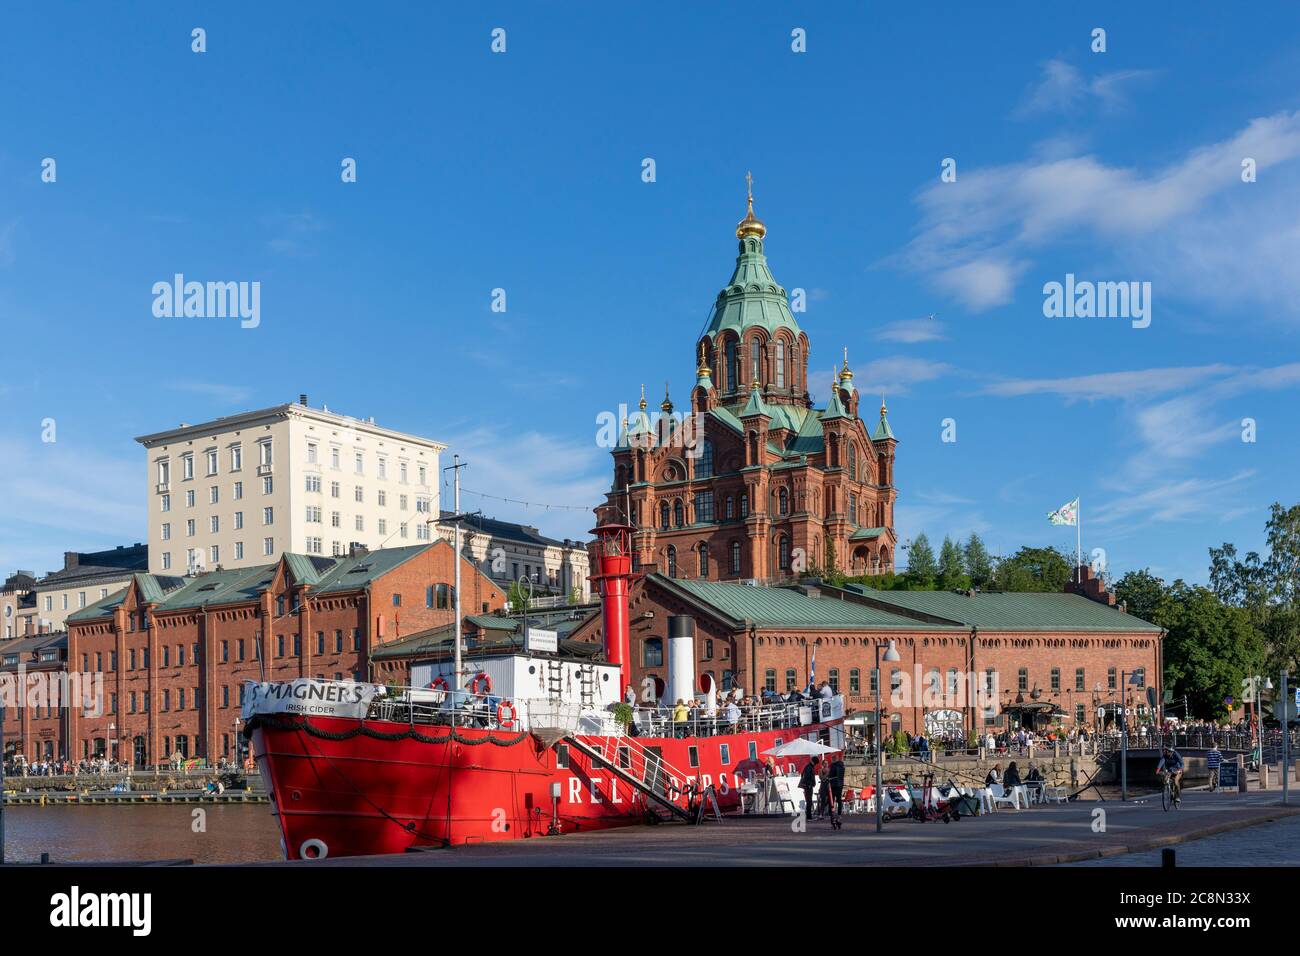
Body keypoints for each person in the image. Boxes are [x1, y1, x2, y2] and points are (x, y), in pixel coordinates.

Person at [828, 754, 846, 829]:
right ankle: (839, 816)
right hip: (840, 785)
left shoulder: (833, 766)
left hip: (833, 785)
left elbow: (830, 775)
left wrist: (828, 778)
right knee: (839, 800)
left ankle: (833, 818)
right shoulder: (842, 766)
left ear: (833, 759)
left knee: (832, 802)